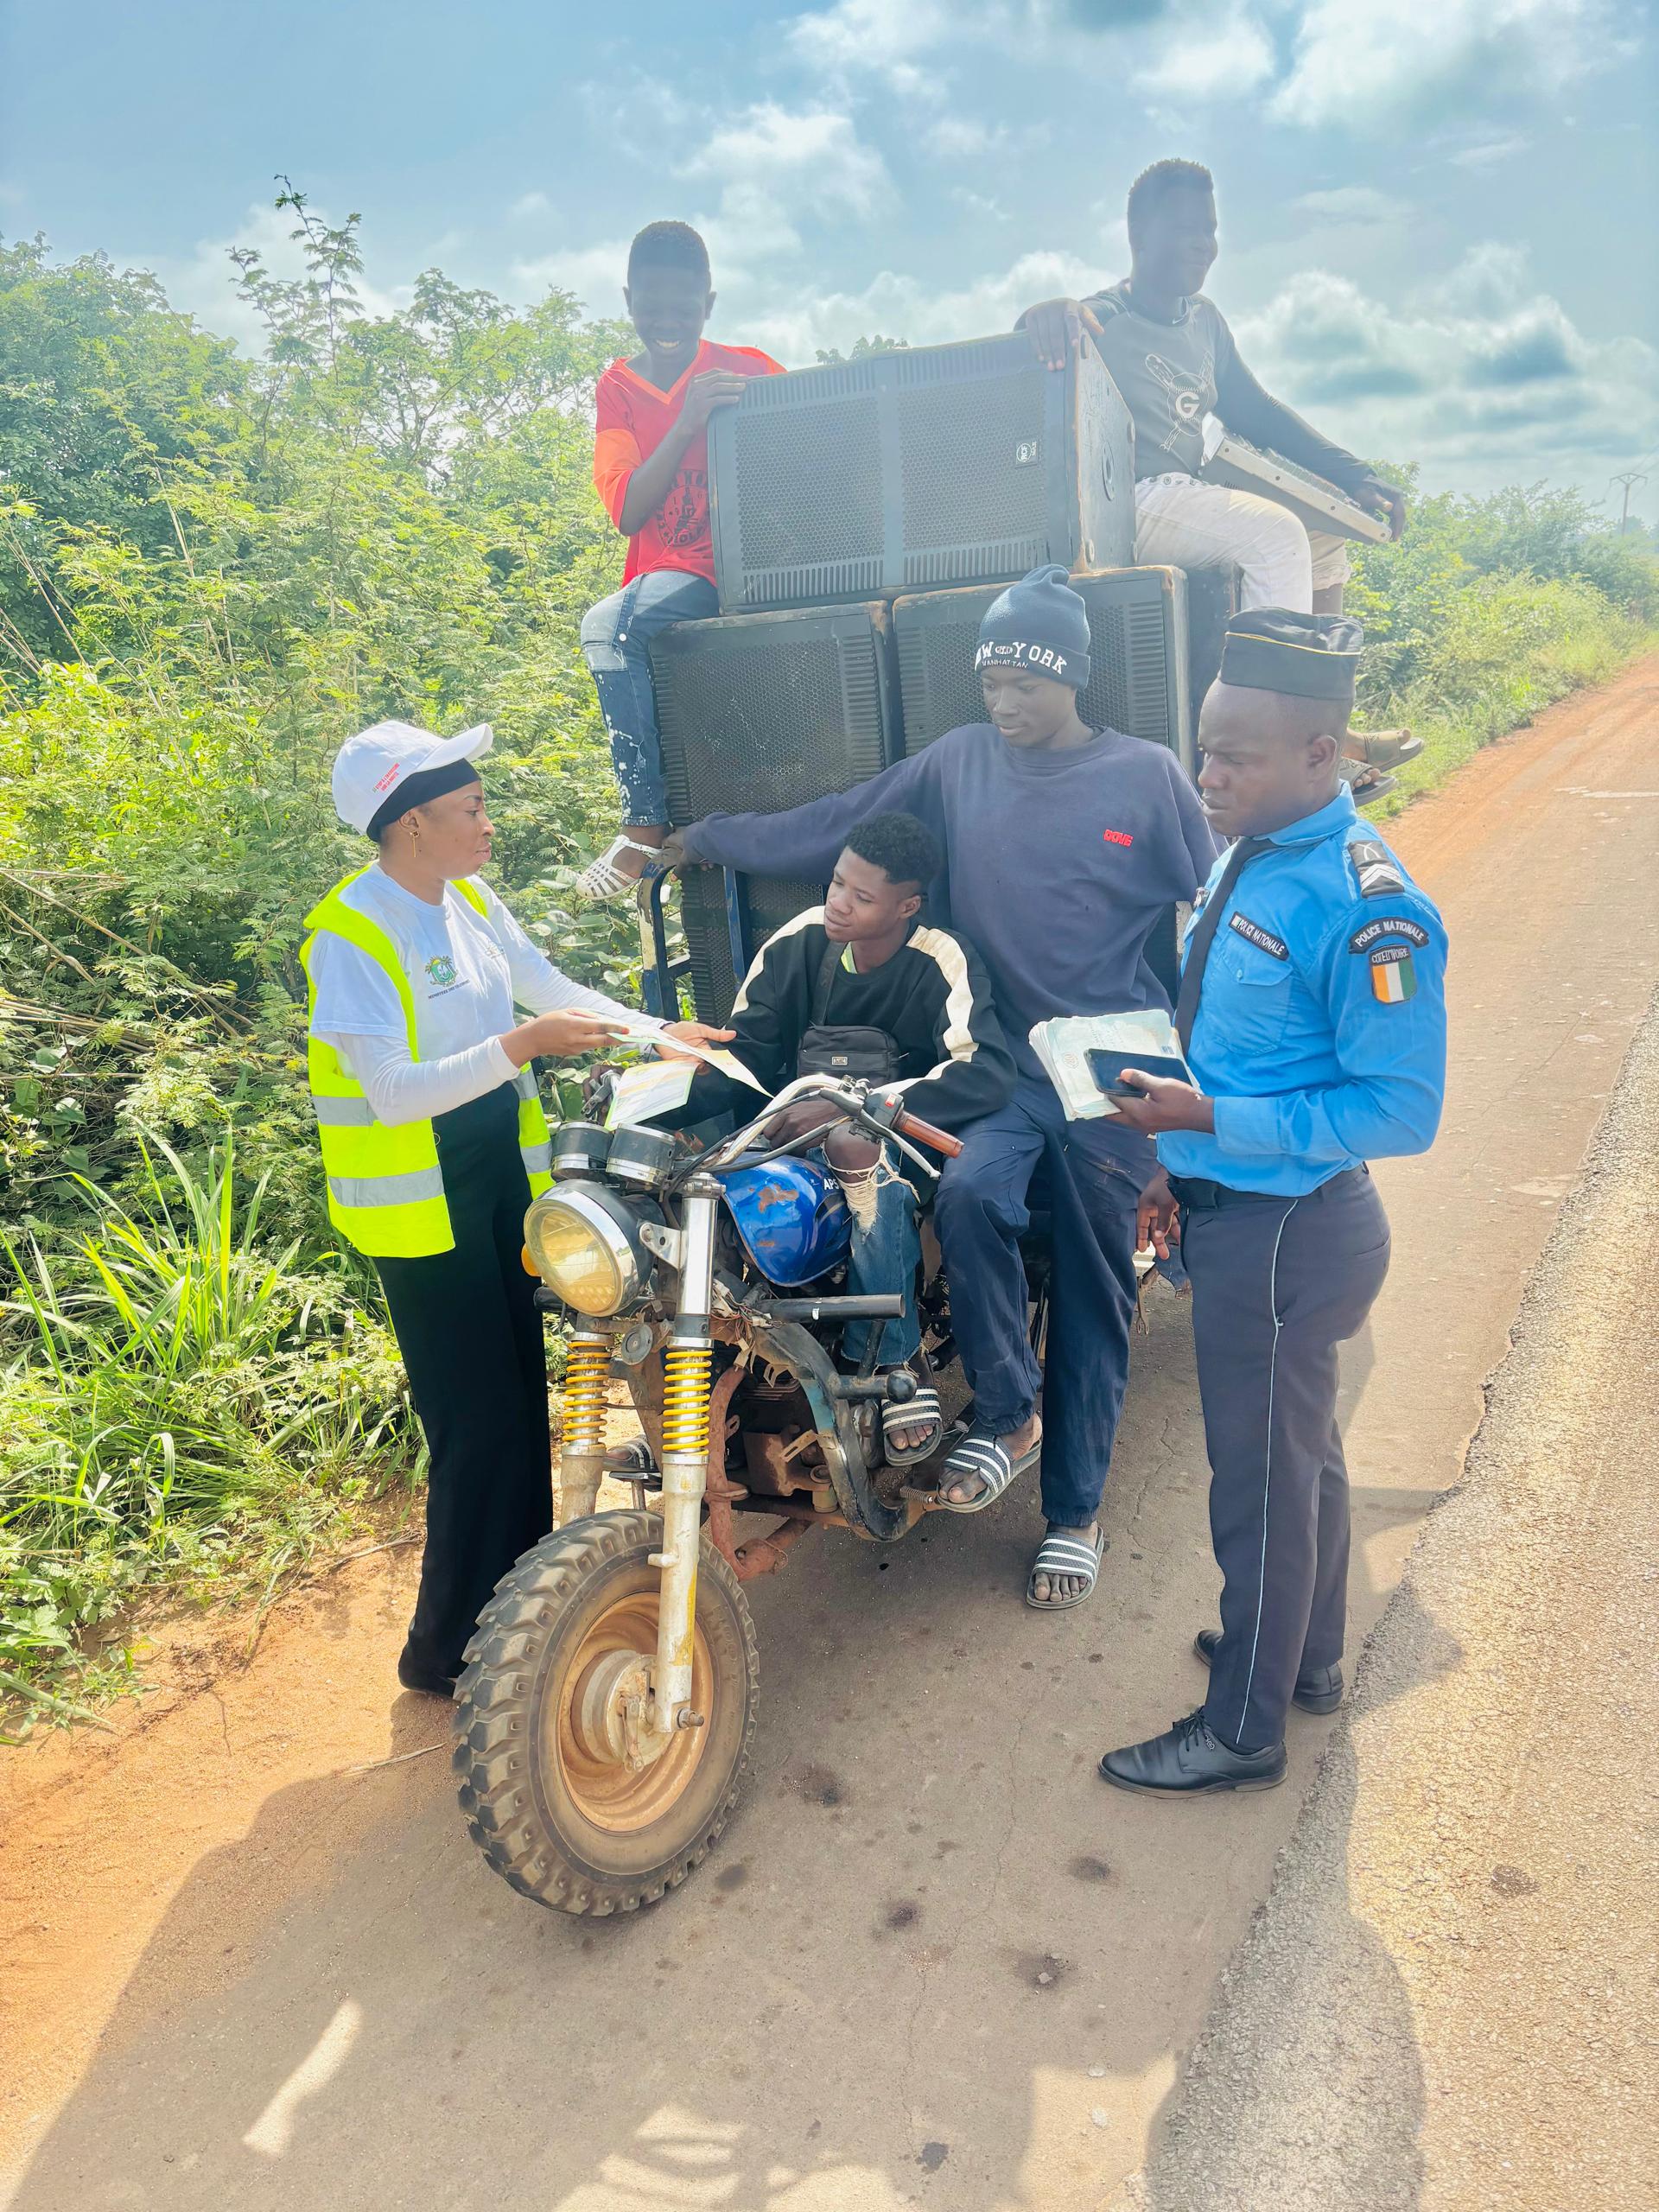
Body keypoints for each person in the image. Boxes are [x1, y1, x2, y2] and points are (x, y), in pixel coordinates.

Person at [664, 566, 1219, 1609]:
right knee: (967, 1197)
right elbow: (845, 818)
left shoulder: (1145, 777)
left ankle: (1076, 1512)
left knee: (1099, 1283)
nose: (1004, 703)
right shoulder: (963, 761)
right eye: (992, 680)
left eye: (1026, 683)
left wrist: (1215, 1075)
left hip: (1115, 1072)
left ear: (1075, 678)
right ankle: (1007, 1411)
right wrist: (707, 837)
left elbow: (1216, 910)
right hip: (1009, 1058)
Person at [302, 719, 728, 1697]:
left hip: (498, 1184)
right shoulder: (350, 937)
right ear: (411, 824)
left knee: (516, 1406)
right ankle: (447, 1649)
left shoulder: (467, 899)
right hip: (422, 1209)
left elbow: (546, 986)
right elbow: (395, 1092)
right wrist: (521, 1046)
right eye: (470, 809)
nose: (488, 823)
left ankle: (515, 1617)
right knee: (473, 1421)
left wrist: (656, 1029)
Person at [1096, 609, 1447, 1796]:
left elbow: (1399, 1109)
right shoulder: (1247, 846)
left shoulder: (1370, 904)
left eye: (1235, 756)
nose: (1206, 778)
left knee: (1259, 1480)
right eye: (1202, 750)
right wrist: (1170, 1167)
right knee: (1303, 1458)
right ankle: (1304, 1656)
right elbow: (1227, 1044)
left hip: (1296, 1233)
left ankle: (1244, 1727)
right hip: (1232, 1209)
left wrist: (1206, 1129)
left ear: (1322, 752)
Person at [1019, 158, 1419, 796]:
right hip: (1126, 505)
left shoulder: (1205, 321)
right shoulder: (1104, 317)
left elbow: (1256, 411)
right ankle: (1262, 749)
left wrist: (1353, 474)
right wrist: (1045, 315)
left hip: (1186, 495)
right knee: (1273, 535)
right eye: (1184, 229)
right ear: (1139, 237)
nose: (1203, 244)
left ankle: (1326, 728)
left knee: (1321, 541)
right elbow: (1035, 345)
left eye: (1209, 229)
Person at [662, 811, 1015, 1463]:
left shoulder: (941, 958)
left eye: (861, 895)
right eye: (835, 884)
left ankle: (890, 1354)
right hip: (790, 1131)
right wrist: (661, 1084)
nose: (838, 904)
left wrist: (861, 1107)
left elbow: (983, 1069)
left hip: (898, 1141)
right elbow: (750, 1053)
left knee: (858, 1150)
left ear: (906, 906)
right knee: (691, 1179)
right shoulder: (798, 943)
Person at [575, 221, 784, 902]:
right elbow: (629, 510)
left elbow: (826, 430)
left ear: (710, 306)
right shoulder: (620, 390)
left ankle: (642, 824)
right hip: (676, 577)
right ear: (628, 300)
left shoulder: (748, 367)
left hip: (755, 565)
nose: (667, 322)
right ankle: (648, 813)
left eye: (684, 309)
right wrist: (691, 418)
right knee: (610, 627)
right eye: (652, 307)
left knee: (607, 627)